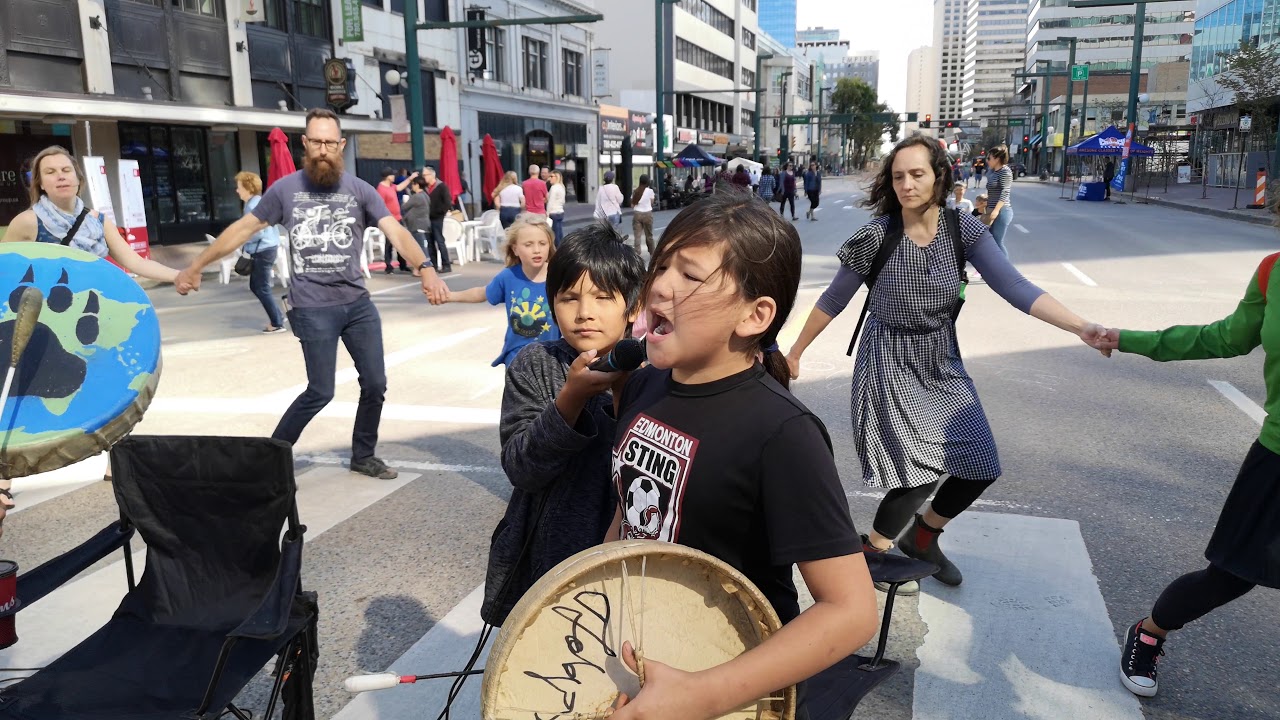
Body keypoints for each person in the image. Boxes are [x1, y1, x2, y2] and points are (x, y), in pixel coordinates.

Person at [783, 135, 1106, 590]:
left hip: (940, 357)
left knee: (980, 463)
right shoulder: (876, 236)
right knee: (919, 472)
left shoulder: (963, 230)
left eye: (917, 174)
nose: (907, 184)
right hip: (888, 360)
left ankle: (922, 537)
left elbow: (1014, 285)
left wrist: (1080, 327)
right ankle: (873, 553)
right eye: (898, 176)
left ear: (939, 176)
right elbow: (833, 300)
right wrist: (795, 352)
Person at [607, 191, 878, 719]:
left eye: (689, 274)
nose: (659, 285)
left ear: (755, 315)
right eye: (661, 265)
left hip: (732, 687)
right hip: (644, 654)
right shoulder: (643, 387)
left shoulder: (783, 433)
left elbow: (852, 611)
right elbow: (626, 514)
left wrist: (702, 695)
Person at [177, 108, 449, 480]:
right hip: (311, 306)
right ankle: (270, 458)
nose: (323, 150)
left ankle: (363, 454)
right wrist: (196, 265)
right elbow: (242, 229)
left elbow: (396, 232)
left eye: (330, 143)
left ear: (341, 145)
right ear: (304, 144)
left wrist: (426, 267)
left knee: (375, 383)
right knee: (320, 391)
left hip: (357, 304)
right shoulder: (285, 190)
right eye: (316, 142)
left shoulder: (360, 190)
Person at [1094, 243, 1280, 698]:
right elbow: (1225, 337)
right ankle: (1150, 632)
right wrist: (1130, 339)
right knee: (1230, 577)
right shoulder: (1273, 270)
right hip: (1277, 459)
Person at [480, 224, 646, 627]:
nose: (584, 312)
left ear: (633, 307)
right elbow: (521, 469)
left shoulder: (656, 373)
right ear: (551, 303)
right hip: (549, 560)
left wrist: (625, 395)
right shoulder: (536, 364)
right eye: (569, 297)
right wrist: (570, 399)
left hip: (631, 568)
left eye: (603, 297)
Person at [4, 146, 181, 282]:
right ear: (40, 184)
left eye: (66, 170)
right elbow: (3, 267)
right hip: (48, 312)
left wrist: (179, 276)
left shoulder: (98, 221)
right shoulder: (28, 221)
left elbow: (137, 263)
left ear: (78, 178)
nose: (60, 176)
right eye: (50, 172)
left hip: (93, 307)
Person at [444, 216, 560, 366]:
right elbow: (481, 293)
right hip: (517, 357)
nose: (536, 250)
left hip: (551, 356)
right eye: (528, 244)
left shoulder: (559, 276)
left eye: (542, 243)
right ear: (515, 249)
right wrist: (450, 296)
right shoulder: (508, 277)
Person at [234, 172, 286, 333]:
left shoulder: (252, 206)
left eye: (239, 187)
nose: (237, 190)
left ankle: (277, 322)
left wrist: (243, 239)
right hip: (268, 248)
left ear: (248, 188)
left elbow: (257, 232)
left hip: (262, 250)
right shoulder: (260, 202)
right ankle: (277, 315)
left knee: (261, 287)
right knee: (257, 286)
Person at [377, 167, 417, 273]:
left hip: (398, 217)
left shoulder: (391, 186)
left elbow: (400, 187)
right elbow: (380, 205)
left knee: (401, 240)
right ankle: (388, 265)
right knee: (389, 243)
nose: (394, 176)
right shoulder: (381, 189)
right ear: (388, 177)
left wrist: (410, 178)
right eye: (392, 175)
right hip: (389, 219)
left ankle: (402, 264)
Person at [983, 144, 1015, 258]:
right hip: (991, 209)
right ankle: (994, 265)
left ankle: (1005, 266)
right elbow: (991, 190)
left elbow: (1005, 192)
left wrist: (996, 210)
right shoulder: (992, 172)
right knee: (989, 241)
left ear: (997, 159)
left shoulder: (1005, 171)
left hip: (1002, 211)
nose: (987, 161)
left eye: (989, 158)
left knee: (997, 241)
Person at [422, 166, 454, 273]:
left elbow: (447, 202)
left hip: (437, 218)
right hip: (427, 218)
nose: (424, 177)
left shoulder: (441, 186)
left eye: (425, 175)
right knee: (430, 242)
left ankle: (446, 264)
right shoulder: (425, 188)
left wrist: (439, 212)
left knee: (439, 241)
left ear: (432, 175)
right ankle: (433, 264)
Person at [630, 174, 656, 255]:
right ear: (648, 182)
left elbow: (632, 204)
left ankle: (637, 253)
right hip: (647, 214)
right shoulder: (650, 191)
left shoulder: (636, 191)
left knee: (637, 236)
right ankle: (652, 253)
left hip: (637, 214)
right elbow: (652, 202)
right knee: (649, 235)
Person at [547, 171, 567, 247]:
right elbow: (563, 201)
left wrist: (547, 212)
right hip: (560, 211)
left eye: (551, 176)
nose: (549, 178)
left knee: (555, 233)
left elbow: (551, 201)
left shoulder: (554, 188)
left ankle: (557, 248)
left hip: (554, 212)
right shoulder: (562, 187)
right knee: (559, 231)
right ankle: (562, 246)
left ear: (557, 177)